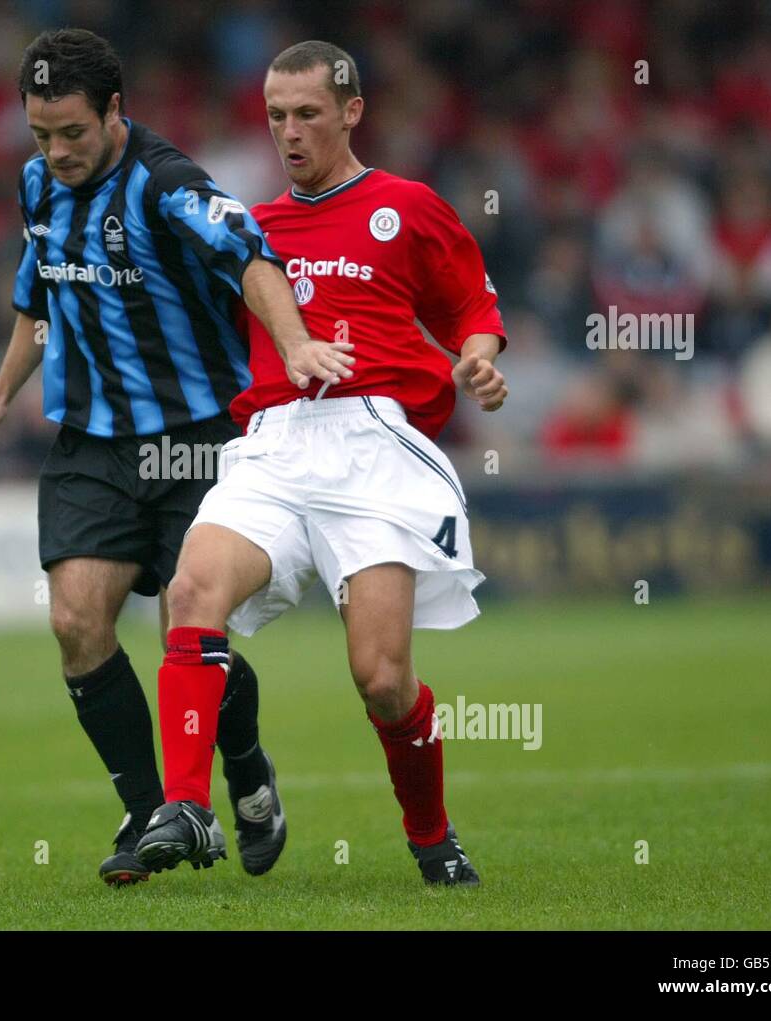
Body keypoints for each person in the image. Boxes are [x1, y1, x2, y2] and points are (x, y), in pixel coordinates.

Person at [0, 29, 352, 885]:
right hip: (92, 439)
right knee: (74, 621)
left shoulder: (171, 187)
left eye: (73, 135)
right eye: (40, 135)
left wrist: (299, 345)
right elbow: (36, 294)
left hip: (197, 440)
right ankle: (144, 808)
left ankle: (246, 770)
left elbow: (253, 260)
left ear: (115, 112)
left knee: (188, 637)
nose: (55, 153)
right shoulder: (37, 186)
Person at [135, 41, 508, 886]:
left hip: (374, 443)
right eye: (275, 116)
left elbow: (472, 310)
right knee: (188, 594)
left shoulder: (405, 207)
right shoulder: (249, 228)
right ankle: (186, 805)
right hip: (273, 441)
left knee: (380, 678)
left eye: (307, 113)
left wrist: (478, 359)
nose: (290, 131)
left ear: (352, 111)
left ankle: (431, 832)